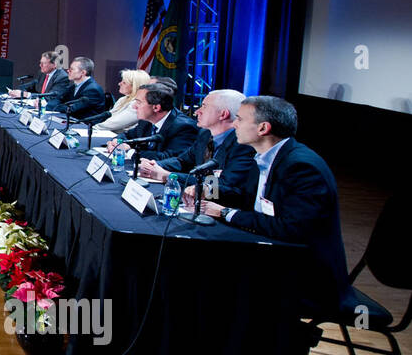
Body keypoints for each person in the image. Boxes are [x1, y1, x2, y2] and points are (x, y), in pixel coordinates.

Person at [194, 96, 348, 315]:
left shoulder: (301, 167)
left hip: (305, 275)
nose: (235, 124)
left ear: (263, 128)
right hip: (273, 257)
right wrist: (205, 191)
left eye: (239, 119)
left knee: (210, 282)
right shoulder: (266, 156)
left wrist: (226, 213)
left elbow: (290, 228)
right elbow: (246, 198)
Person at [138, 89, 256, 203]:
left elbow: (222, 186)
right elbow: (182, 161)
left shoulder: (243, 145)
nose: (197, 111)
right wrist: (154, 165)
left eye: (204, 106)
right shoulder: (205, 133)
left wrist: (170, 176)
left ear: (223, 114)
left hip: (219, 208)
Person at [106, 83, 199, 159]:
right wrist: (116, 142)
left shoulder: (184, 127)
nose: (134, 106)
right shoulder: (146, 120)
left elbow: (169, 157)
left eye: (139, 102)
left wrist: (129, 151)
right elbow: (128, 135)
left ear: (156, 107)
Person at [98, 69, 151, 133]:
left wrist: (92, 128)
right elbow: (108, 117)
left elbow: (114, 123)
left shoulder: (136, 104)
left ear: (134, 86)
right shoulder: (122, 99)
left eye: (124, 82)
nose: (119, 84)